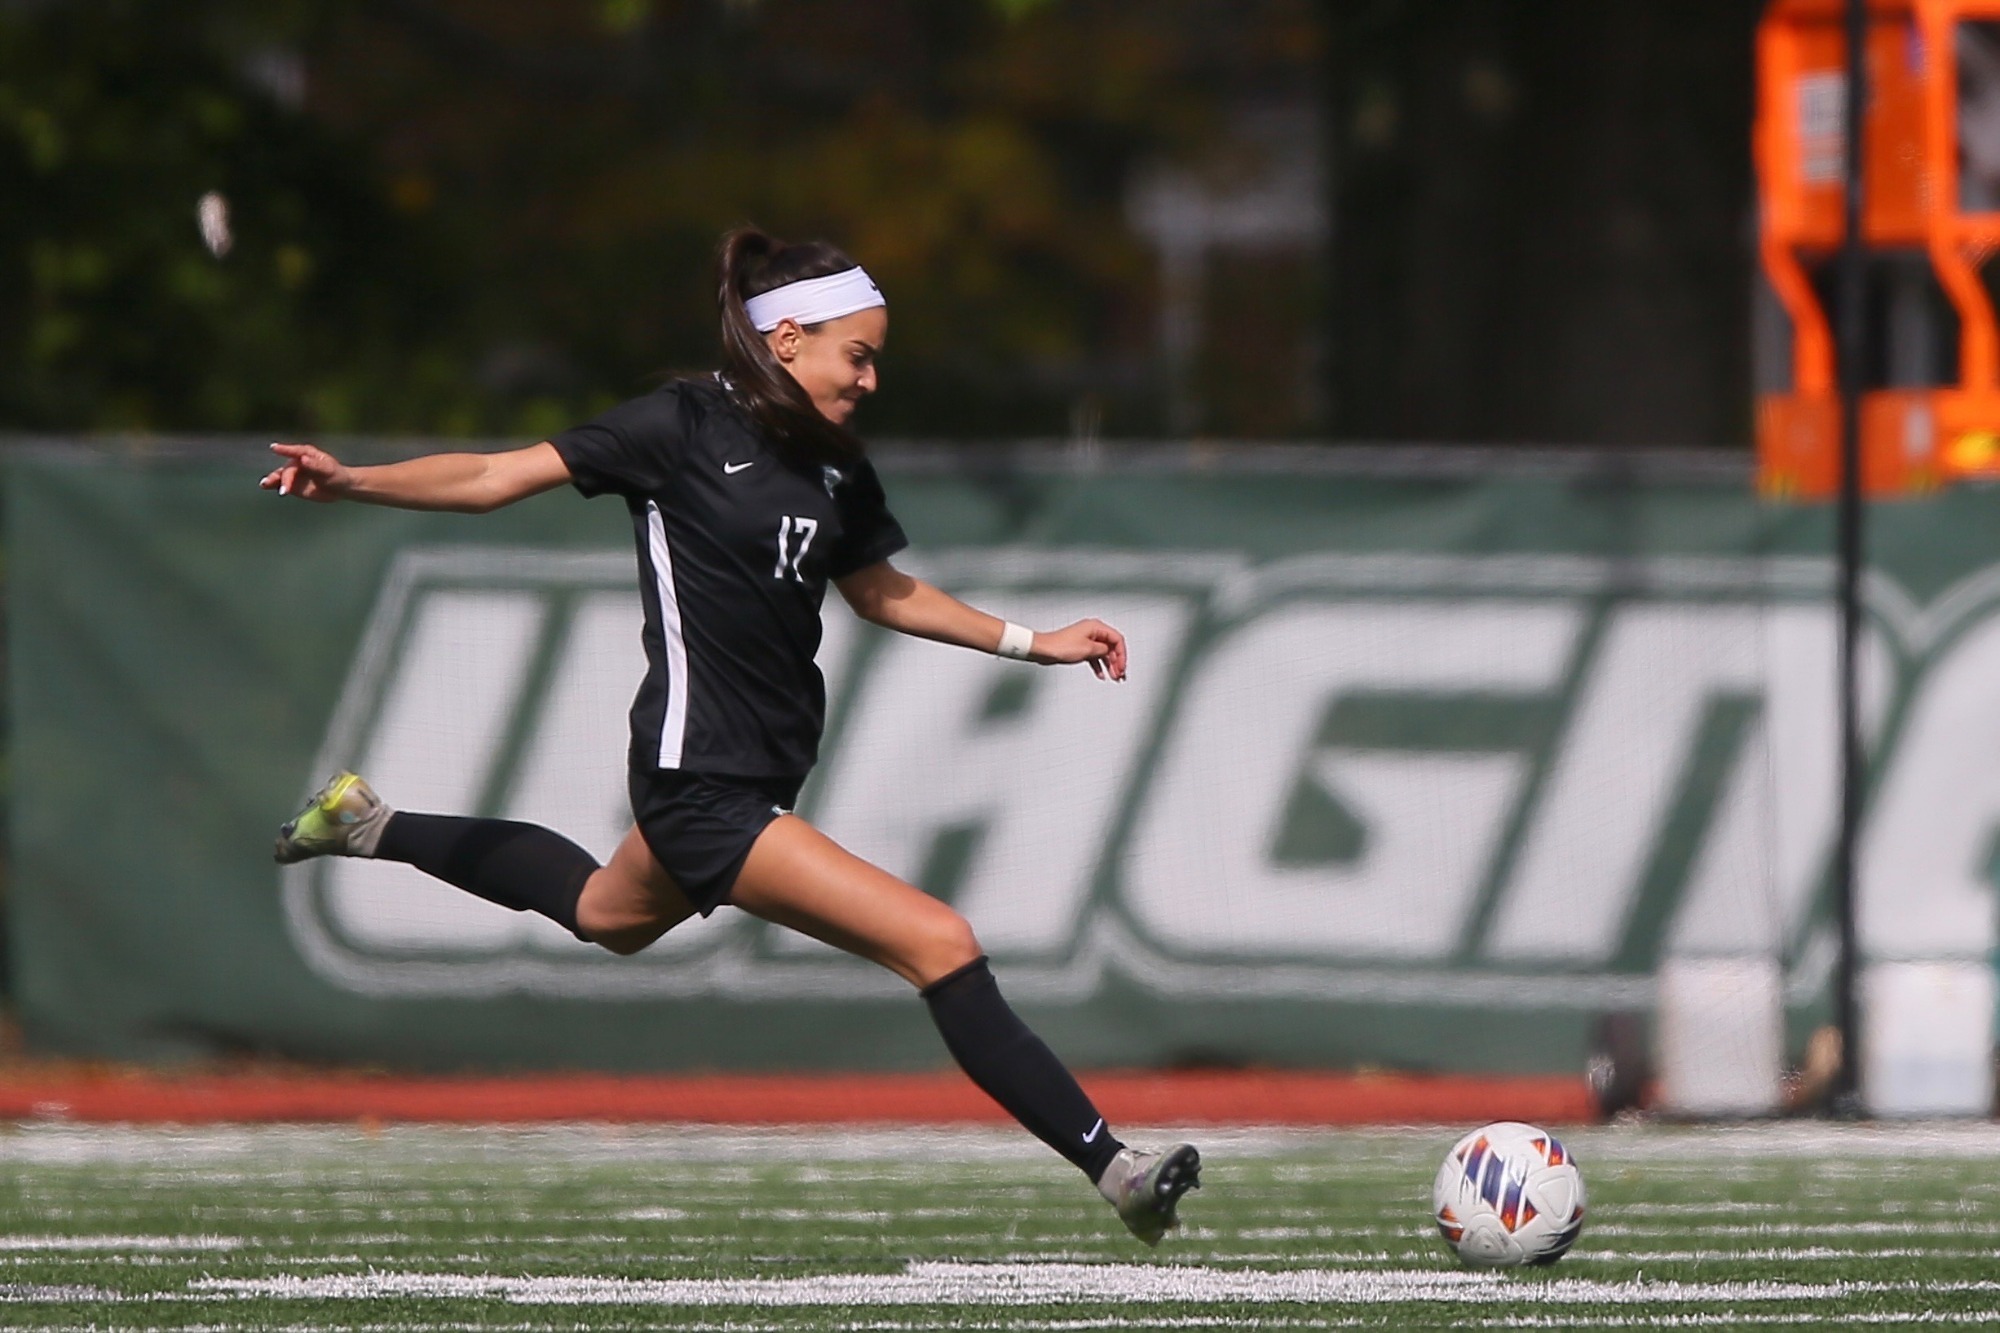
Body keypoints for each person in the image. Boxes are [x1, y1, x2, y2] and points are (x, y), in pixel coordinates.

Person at [260, 227, 1200, 1245]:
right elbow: (494, 476)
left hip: (753, 777)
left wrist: (1032, 641)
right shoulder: (679, 424)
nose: (870, 379)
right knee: (938, 941)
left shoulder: (835, 465)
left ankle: (367, 823)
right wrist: (352, 480)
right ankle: (1114, 1167)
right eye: (858, 355)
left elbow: (880, 591)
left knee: (604, 912)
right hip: (698, 779)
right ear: (787, 339)